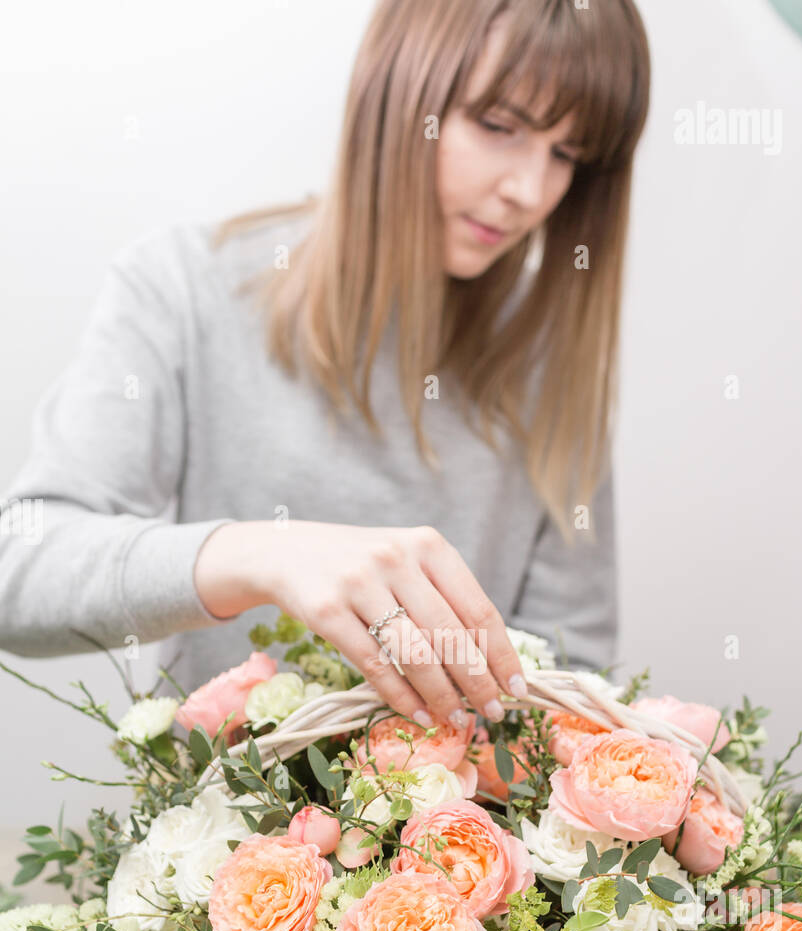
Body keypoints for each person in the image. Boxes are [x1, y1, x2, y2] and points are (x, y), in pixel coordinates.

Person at [0, 0, 650, 732]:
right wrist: (260, 553)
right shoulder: (183, 288)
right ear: (393, 96)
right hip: (214, 835)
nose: (529, 191)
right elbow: (19, 573)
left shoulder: (549, 362)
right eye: (499, 126)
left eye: (568, 154)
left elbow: (573, 675)